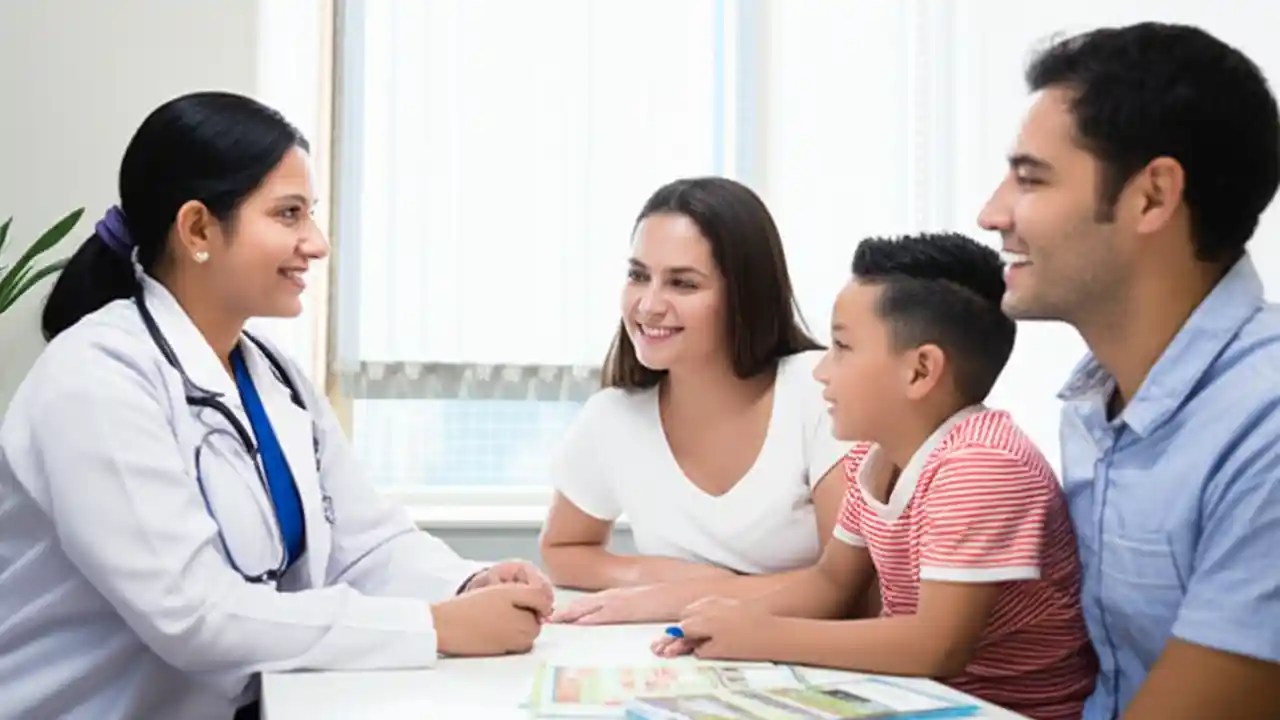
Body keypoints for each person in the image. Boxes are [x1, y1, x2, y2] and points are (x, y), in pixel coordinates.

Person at [0, 91, 554, 719]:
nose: (315, 243)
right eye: (288, 215)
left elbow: (363, 541)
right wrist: (437, 626)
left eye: (309, 214)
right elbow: (193, 613)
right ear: (198, 229)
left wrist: (464, 585)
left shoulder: (271, 376)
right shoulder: (95, 380)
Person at [654, 234, 1097, 720]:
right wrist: (736, 620)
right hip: (923, 700)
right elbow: (832, 582)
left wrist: (762, 635)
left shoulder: (984, 464)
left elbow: (935, 646)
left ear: (919, 371)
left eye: (842, 346)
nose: (822, 370)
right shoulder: (875, 455)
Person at [977, 22, 1280, 720]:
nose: (992, 214)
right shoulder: (1093, 403)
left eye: (1030, 179)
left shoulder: (1264, 422)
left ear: (1151, 197)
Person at [541, 177, 854, 625]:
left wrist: (676, 598)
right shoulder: (614, 416)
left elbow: (846, 585)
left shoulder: (818, 388)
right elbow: (562, 550)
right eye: (638, 276)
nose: (648, 305)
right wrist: (666, 576)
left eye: (683, 284)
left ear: (745, 294)